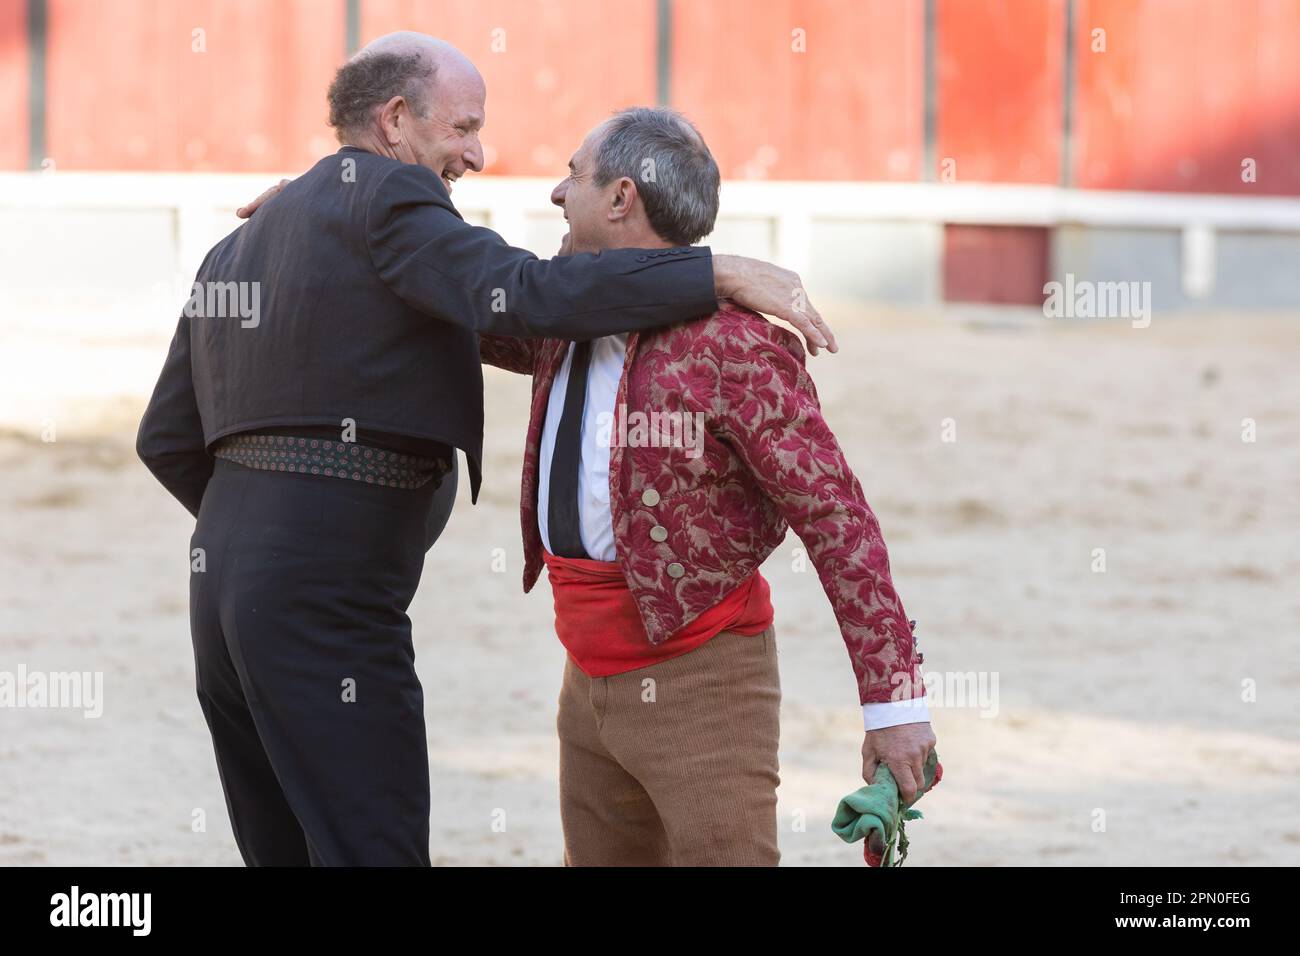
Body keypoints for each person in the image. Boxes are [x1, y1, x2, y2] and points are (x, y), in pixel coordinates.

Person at [137, 33, 833, 866]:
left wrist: (258, 526)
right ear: (396, 121)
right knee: (373, 849)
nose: (479, 151)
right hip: (330, 593)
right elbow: (530, 293)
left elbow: (166, 437)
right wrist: (711, 272)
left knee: (285, 850)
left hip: (221, 591)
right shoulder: (394, 201)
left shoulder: (241, 243)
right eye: (464, 126)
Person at [479, 108, 935, 866]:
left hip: (704, 684)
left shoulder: (736, 345)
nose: (558, 194)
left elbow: (838, 519)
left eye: (573, 175)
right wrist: (334, 208)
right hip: (582, 672)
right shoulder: (557, 312)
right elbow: (444, 298)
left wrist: (896, 708)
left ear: (622, 197)